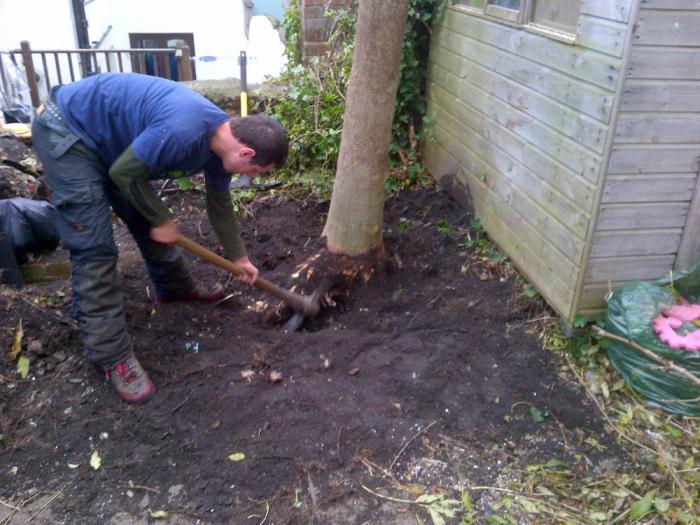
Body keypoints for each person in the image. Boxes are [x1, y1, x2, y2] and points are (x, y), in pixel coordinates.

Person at [31, 73, 288, 404]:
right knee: (94, 245)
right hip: (68, 130)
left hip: (114, 147)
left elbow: (220, 205)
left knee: (145, 214)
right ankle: (113, 357)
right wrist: (163, 219)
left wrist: (239, 258)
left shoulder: (220, 144)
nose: (252, 177)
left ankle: (175, 289)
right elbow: (124, 173)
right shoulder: (184, 132)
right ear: (247, 153)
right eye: (258, 172)